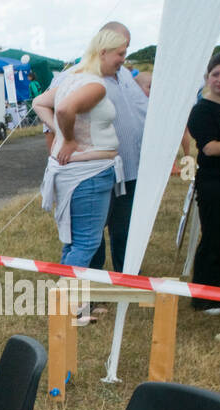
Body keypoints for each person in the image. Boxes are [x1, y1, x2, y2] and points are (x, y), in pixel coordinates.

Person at [34, 28, 126, 289]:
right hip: (89, 172)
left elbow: (40, 102)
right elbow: (63, 108)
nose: (123, 60)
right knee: (86, 242)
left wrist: (60, 133)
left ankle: (68, 304)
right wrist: (68, 137)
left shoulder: (72, 79)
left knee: (75, 241)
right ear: (104, 52)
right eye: (120, 54)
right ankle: (66, 303)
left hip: (76, 172)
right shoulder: (94, 84)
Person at [186, 51, 220, 340]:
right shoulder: (202, 110)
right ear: (207, 78)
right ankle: (206, 296)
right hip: (216, 183)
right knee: (216, 236)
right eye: (215, 74)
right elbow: (209, 148)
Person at [88, 21, 148, 274]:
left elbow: (141, 110)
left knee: (124, 228)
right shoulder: (83, 76)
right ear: (104, 46)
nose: (124, 56)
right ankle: (96, 283)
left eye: (127, 50)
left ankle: (127, 277)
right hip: (101, 169)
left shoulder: (124, 74)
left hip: (131, 167)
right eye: (121, 51)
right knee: (95, 230)